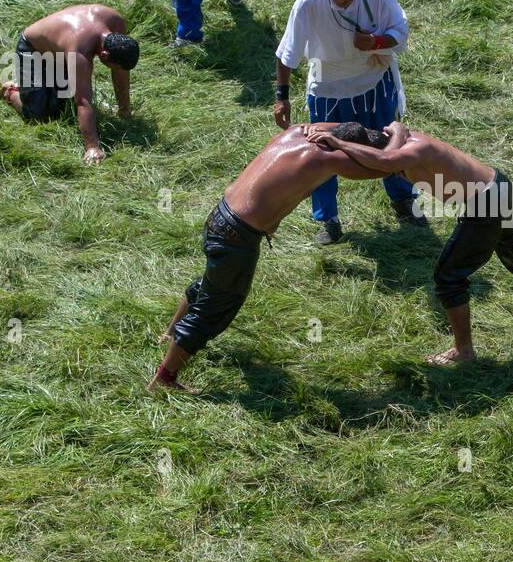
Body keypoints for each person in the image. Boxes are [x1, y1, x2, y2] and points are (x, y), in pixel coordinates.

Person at [149, 122, 391, 392]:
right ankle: (164, 379)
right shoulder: (328, 158)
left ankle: (170, 333)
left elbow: (339, 132)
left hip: (219, 217)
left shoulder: (300, 131)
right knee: (216, 306)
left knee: (211, 285)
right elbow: (385, 165)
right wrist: (398, 136)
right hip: (236, 236)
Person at [305, 120, 513, 364]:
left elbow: (385, 161)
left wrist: (337, 142)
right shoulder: (392, 141)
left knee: (449, 278)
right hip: (498, 187)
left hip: (486, 201)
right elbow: (383, 154)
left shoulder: (413, 148)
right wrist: (320, 130)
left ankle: (464, 352)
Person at [275, 0, 425, 244]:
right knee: (322, 152)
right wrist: (282, 97)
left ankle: (404, 200)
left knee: (388, 141)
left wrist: (376, 43)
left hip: (372, 79)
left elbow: (401, 31)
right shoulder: (308, 2)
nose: (341, 0)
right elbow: (287, 53)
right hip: (327, 85)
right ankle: (327, 219)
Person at [0, 5, 140, 164]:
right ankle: (11, 90)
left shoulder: (116, 23)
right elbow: (83, 101)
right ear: (104, 55)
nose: (118, 71)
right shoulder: (80, 54)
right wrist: (92, 146)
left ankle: (42, 86)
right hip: (32, 49)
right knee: (39, 115)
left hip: (61, 51)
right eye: (115, 67)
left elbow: (121, 71)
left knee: (61, 109)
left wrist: (124, 110)